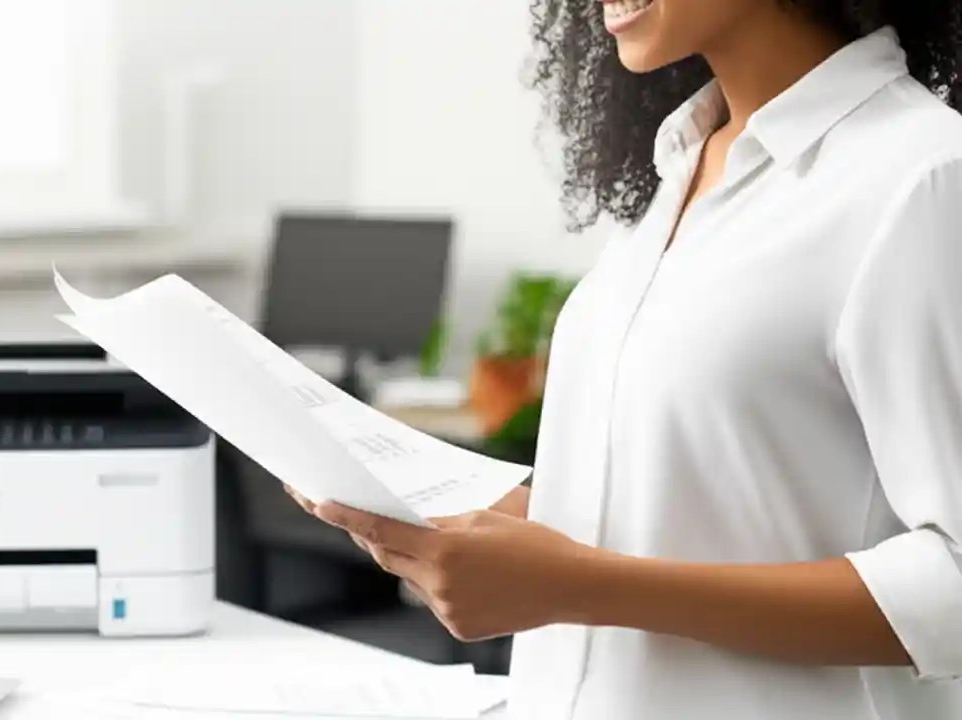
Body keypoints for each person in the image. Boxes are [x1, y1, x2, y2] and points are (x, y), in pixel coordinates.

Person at [286, 1, 962, 718]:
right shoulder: (686, 166)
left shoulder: (922, 176)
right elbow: (709, 494)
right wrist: (474, 520)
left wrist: (578, 584)